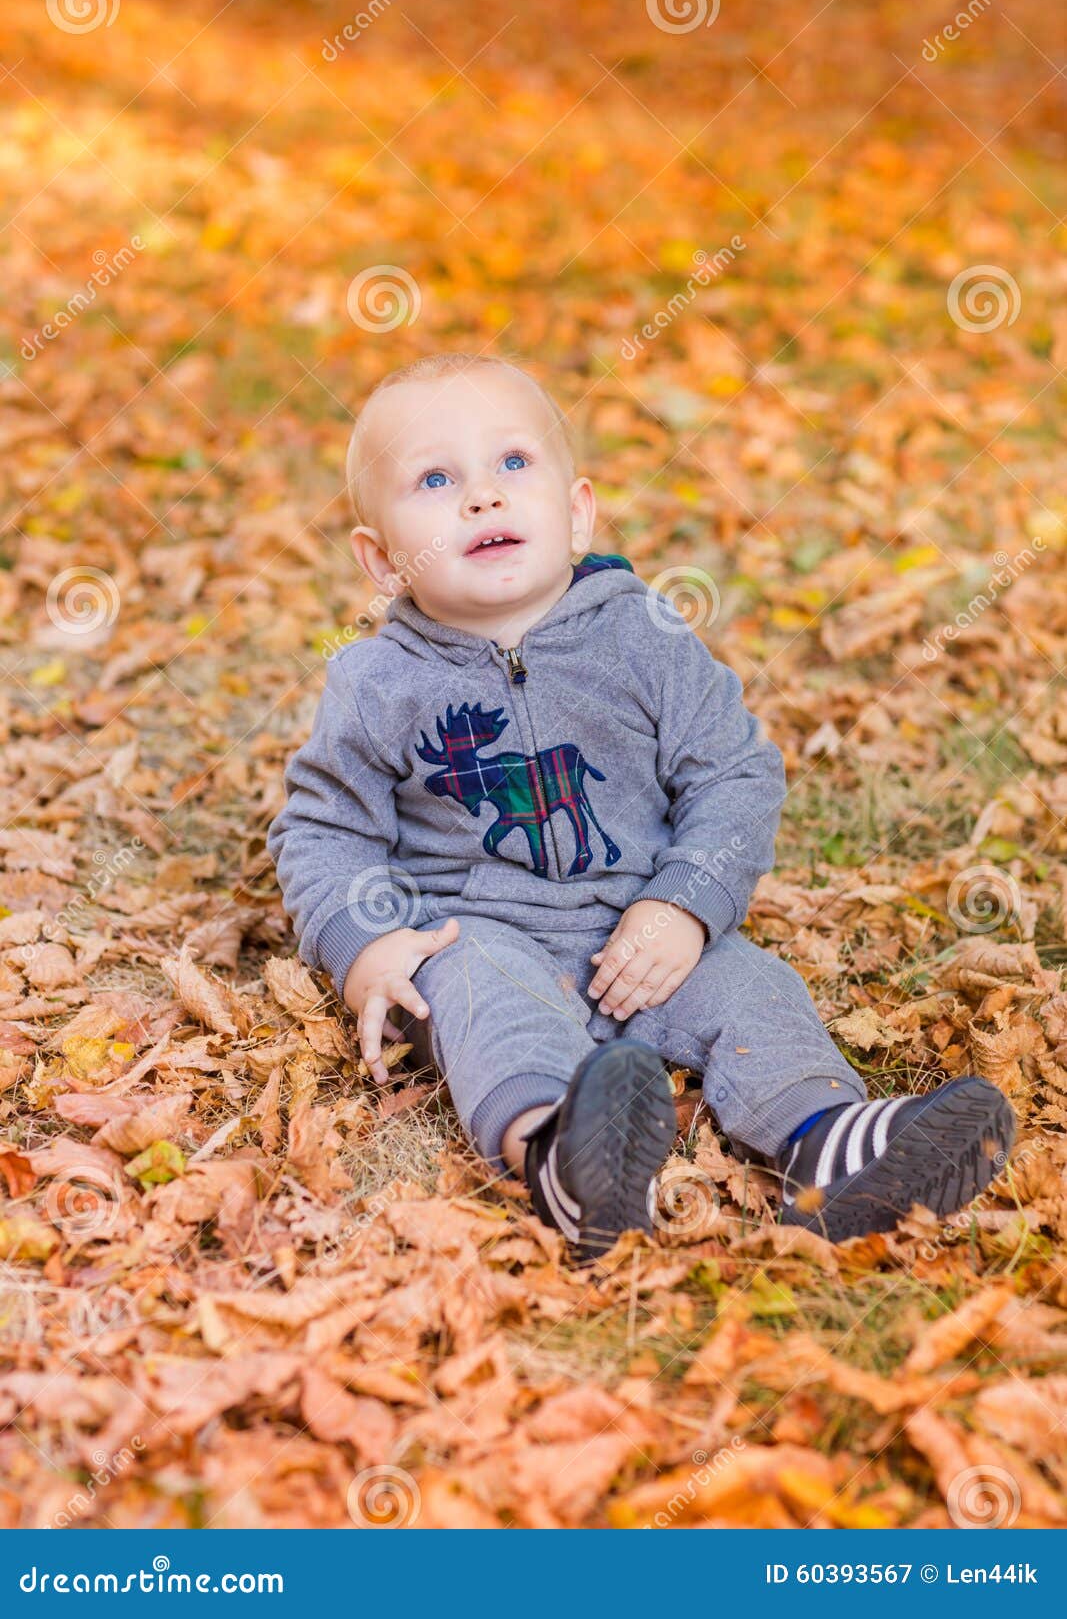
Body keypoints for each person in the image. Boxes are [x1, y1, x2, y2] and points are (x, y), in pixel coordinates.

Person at [266, 353, 1014, 1259]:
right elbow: (325, 830)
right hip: (477, 935)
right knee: (479, 1008)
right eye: (435, 478)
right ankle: (561, 1156)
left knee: (755, 992)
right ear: (382, 560)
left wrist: (686, 903)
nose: (482, 499)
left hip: (643, 923)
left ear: (577, 511)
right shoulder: (374, 681)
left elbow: (732, 772)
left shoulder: (644, 635)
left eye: (512, 464)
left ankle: (834, 1144)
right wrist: (365, 942)